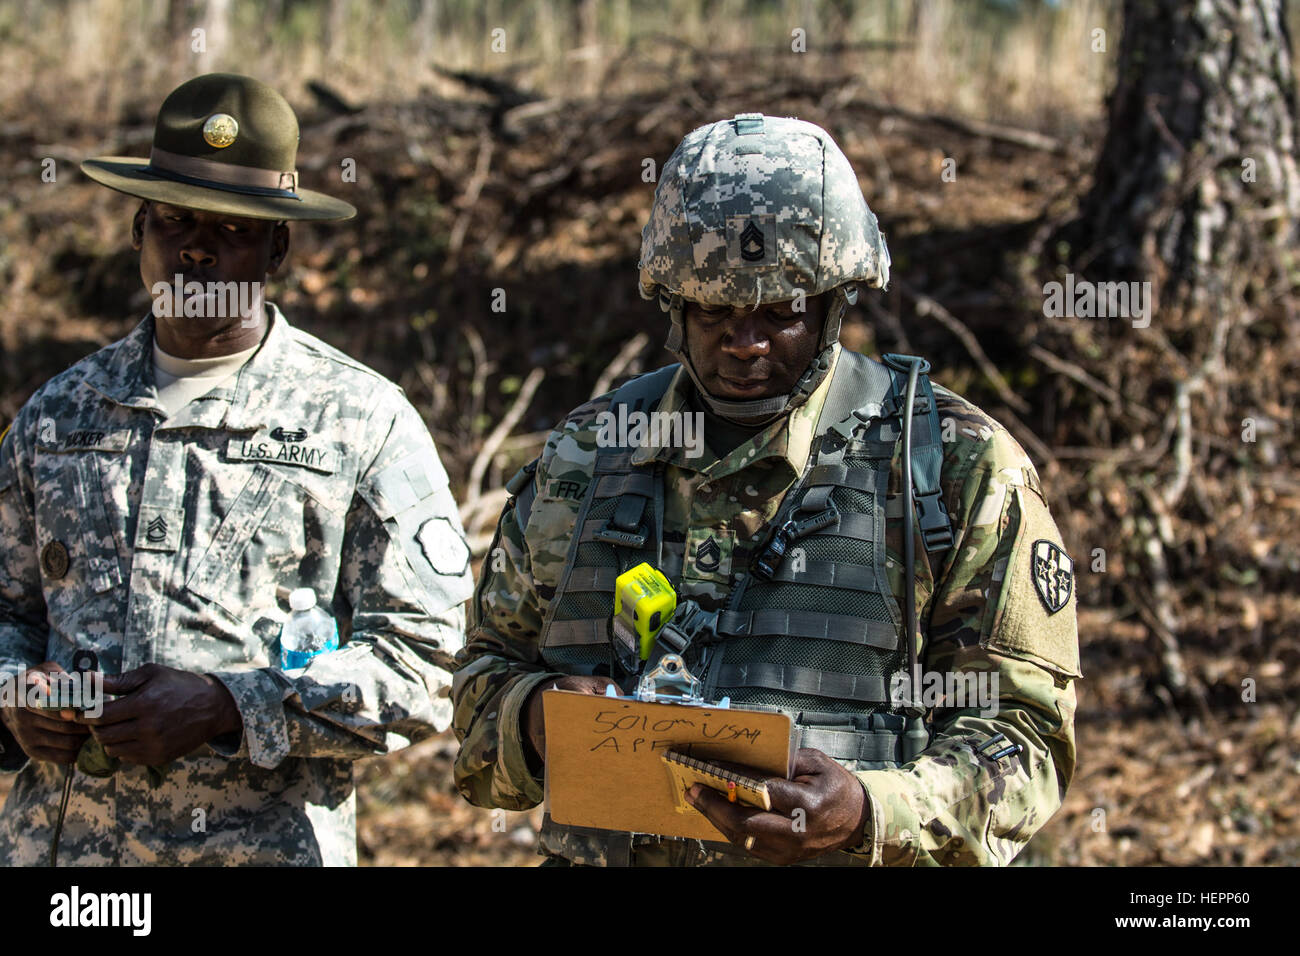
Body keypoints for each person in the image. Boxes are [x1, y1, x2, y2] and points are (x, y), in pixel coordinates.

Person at [452, 113, 1082, 866]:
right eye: (715, 310)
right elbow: (482, 682)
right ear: (672, 305)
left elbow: (1025, 740)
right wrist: (533, 723)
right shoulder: (589, 456)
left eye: (781, 314)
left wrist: (869, 812)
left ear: (834, 304)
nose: (745, 344)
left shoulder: (953, 467)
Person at [0, 73, 473, 865]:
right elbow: (7, 612)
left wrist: (230, 706)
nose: (196, 247)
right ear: (137, 231)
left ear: (277, 248)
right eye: (175, 221)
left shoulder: (359, 420)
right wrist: (17, 690)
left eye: (231, 228)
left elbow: (426, 665)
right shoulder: (57, 415)